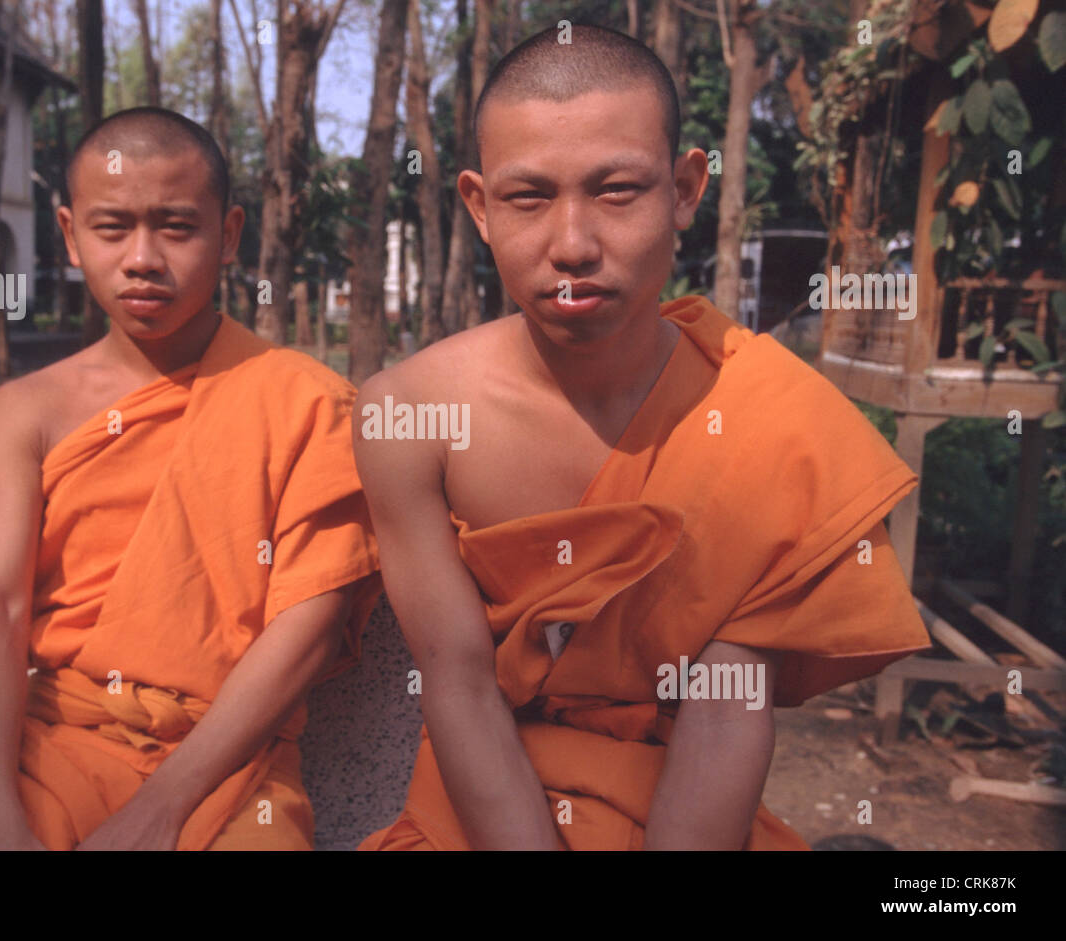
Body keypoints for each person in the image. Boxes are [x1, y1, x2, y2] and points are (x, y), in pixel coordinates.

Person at [354, 25, 931, 851]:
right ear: (479, 207)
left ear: (687, 188)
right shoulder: (407, 416)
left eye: (617, 190)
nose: (573, 244)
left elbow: (729, 706)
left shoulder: (771, 417)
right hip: (485, 813)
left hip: (684, 811)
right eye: (528, 197)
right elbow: (458, 683)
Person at [0, 107, 381, 850]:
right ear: (71, 235)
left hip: (227, 772)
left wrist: (160, 809)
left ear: (229, 234)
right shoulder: (27, 412)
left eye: (177, 226)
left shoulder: (307, 402)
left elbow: (305, 628)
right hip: (50, 748)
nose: (143, 257)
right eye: (113, 228)